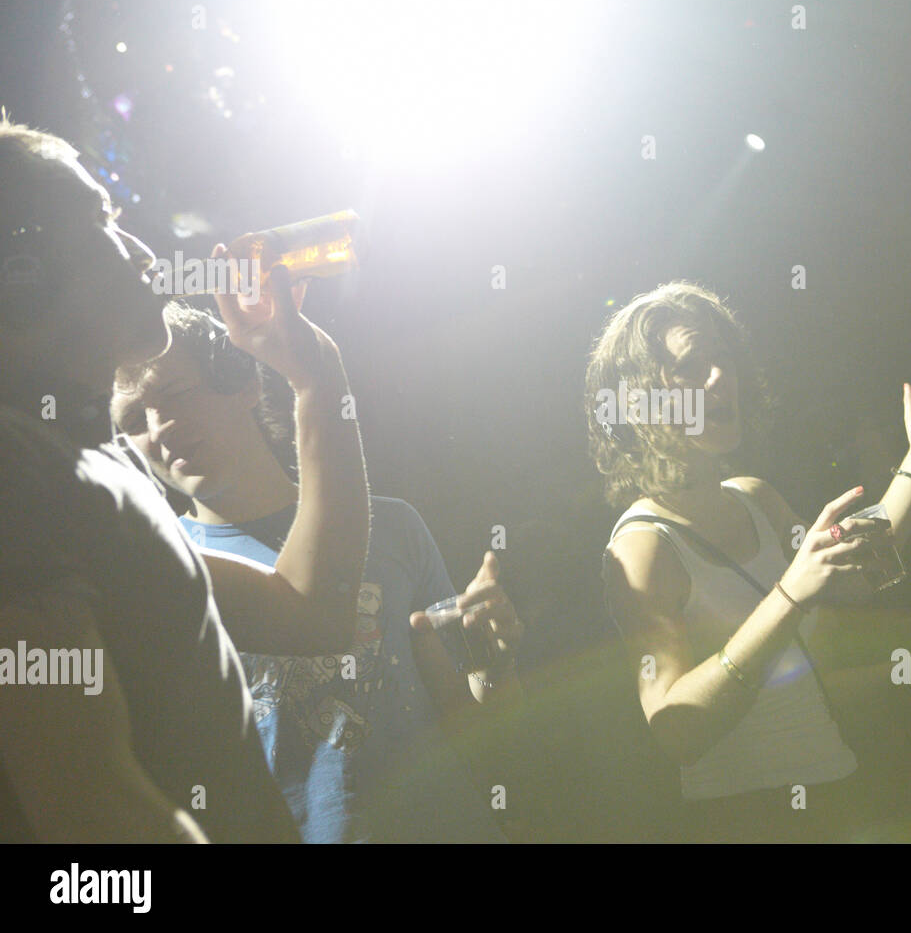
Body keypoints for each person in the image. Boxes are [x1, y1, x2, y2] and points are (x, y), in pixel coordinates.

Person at [0, 115, 369, 841]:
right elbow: (89, 814)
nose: (140, 252)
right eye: (102, 219)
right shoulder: (17, 476)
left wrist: (313, 375)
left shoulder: (84, 463)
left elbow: (310, 609)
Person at [111, 302, 524, 842]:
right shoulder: (154, 574)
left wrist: (492, 664)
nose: (157, 427)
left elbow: (479, 735)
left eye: (175, 395)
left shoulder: (392, 527)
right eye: (130, 420)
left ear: (245, 383)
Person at [587, 281, 911, 841]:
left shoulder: (754, 497)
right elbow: (676, 732)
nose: (722, 376)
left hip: (835, 794)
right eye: (693, 365)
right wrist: (790, 594)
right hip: (746, 819)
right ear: (639, 399)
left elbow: (863, 571)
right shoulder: (644, 547)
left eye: (724, 358)